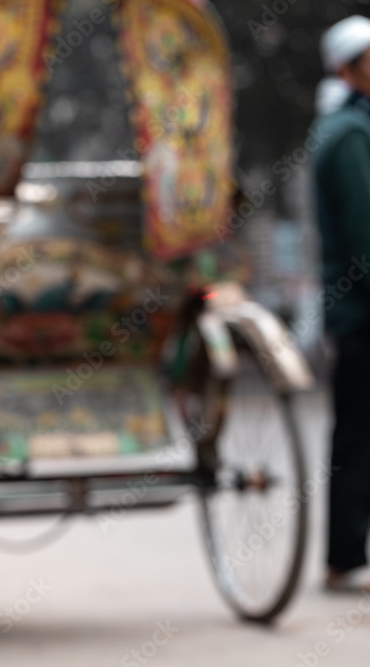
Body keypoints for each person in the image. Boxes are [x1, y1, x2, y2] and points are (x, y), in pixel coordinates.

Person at [314, 15, 370, 593]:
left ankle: (347, 554)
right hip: (361, 313)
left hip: (353, 311)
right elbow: (364, 234)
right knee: (356, 437)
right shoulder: (349, 134)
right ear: (349, 69)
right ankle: (345, 556)